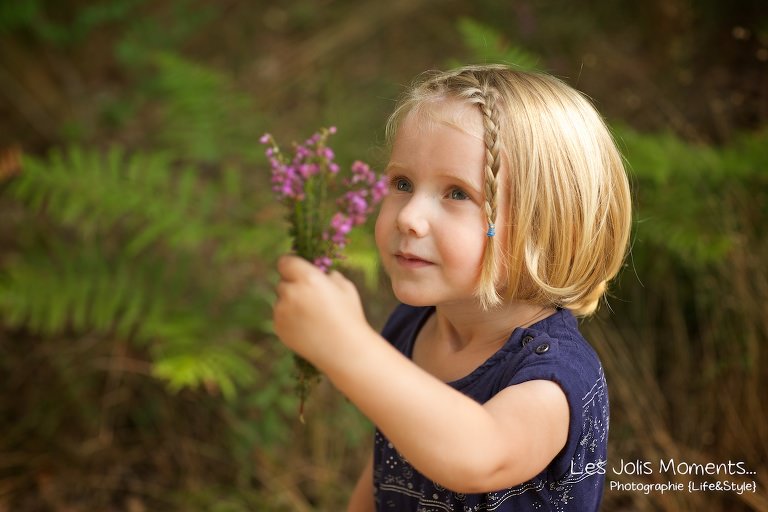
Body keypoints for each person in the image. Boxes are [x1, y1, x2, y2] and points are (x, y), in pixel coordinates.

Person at [273, 64, 632, 511]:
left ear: (543, 228)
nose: (408, 216)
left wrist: (346, 344)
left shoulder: (555, 376)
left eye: (457, 193)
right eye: (403, 183)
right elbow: (393, 459)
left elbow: (479, 454)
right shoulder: (413, 325)